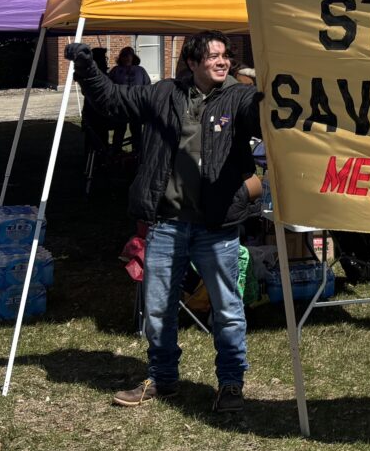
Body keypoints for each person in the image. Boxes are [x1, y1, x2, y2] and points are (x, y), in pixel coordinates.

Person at [67, 32, 263, 412]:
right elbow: (112, 101)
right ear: (192, 62)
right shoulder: (163, 94)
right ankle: (162, 378)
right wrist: (87, 66)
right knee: (157, 309)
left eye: (225, 56)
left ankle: (231, 384)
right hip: (167, 224)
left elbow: (263, 114)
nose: (222, 62)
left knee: (227, 310)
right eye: (213, 57)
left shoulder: (238, 97)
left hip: (217, 226)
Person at [108, 46, 151, 156]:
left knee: (136, 130)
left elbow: (147, 86)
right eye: (124, 56)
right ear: (121, 58)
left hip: (136, 105)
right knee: (119, 129)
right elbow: (108, 86)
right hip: (120, 105)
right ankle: (116, 152)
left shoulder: (140, 70)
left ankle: (137, 152)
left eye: (129, 56)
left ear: (133, 57)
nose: (127, 58)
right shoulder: (115, 71)